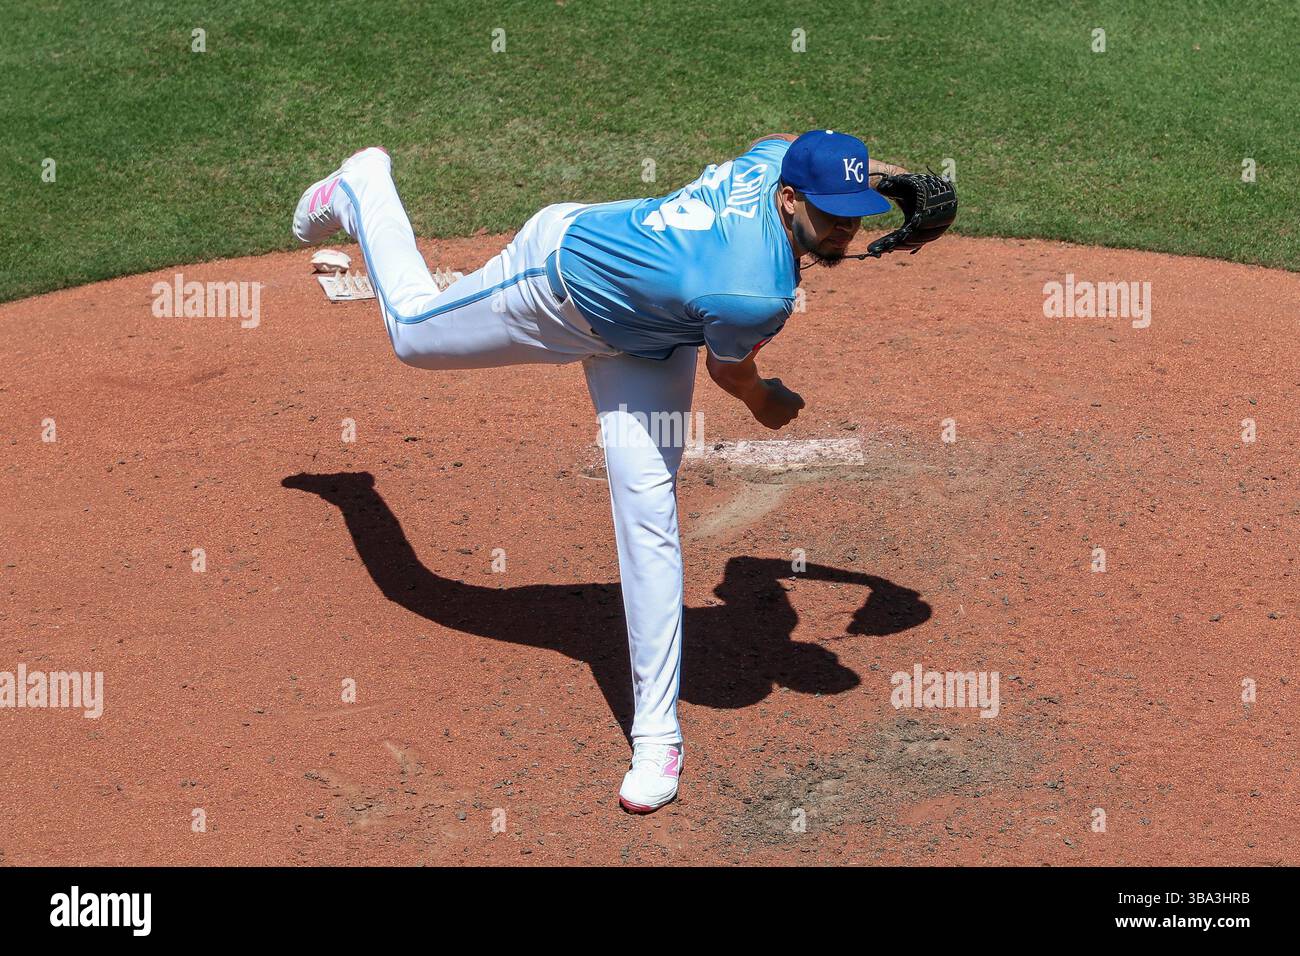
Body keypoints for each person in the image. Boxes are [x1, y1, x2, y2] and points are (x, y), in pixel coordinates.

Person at [291, 130, 905, 813]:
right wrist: (767, 400)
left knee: (648, 512)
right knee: (411, 332)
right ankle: (364, 184)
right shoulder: (754, 291)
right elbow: (730, 372)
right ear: (789, 197)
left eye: (856, 208)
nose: (848, 225)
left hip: (650, 339)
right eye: (833, 210)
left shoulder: (770, 168)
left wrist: (896, 176)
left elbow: (790, 141)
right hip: (556, 288)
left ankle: (656, 733)